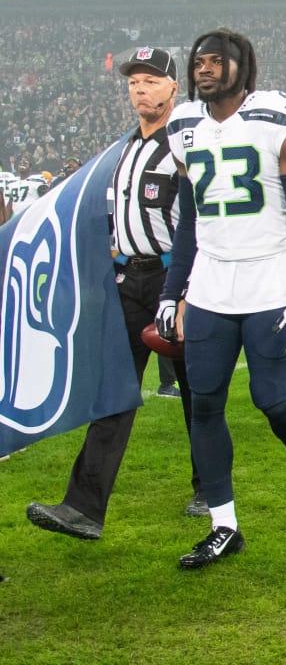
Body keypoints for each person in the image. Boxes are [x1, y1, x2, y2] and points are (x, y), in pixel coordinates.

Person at [157, 28, 286, 570]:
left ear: (242, 68)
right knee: (204, 406)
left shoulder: (277, 121)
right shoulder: (183, 125)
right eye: (198, 62)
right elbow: (189, 221)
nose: (203, 70)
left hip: (269, 280)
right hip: (210, 283)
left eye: (215, 62)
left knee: (271, 401)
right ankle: (224, 525)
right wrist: (173, 292)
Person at [25, 46, 206, 543]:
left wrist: (189, 290)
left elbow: (203, 223)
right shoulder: (122, 149)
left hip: (181, 282)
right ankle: (83, 508)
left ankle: (210, 488)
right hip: (129, 282)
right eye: (133, 82)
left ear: (174, 87)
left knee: (198, 393)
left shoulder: (188, 144)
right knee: (113, 391)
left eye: (151, 80)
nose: (140, 89)